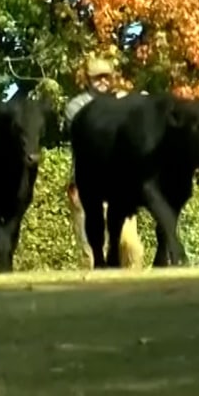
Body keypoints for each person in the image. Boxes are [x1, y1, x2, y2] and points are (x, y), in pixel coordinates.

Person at [64, 57, 144, 269]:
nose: (102, 81)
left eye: (106, 77)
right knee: (90, 254)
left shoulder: (122, 103)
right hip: (87, 186)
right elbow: (88, 136)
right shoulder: (75, 107)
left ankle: (133, 288)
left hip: (121, 186)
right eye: (97, 78)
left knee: (130, 248)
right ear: (87, 80)